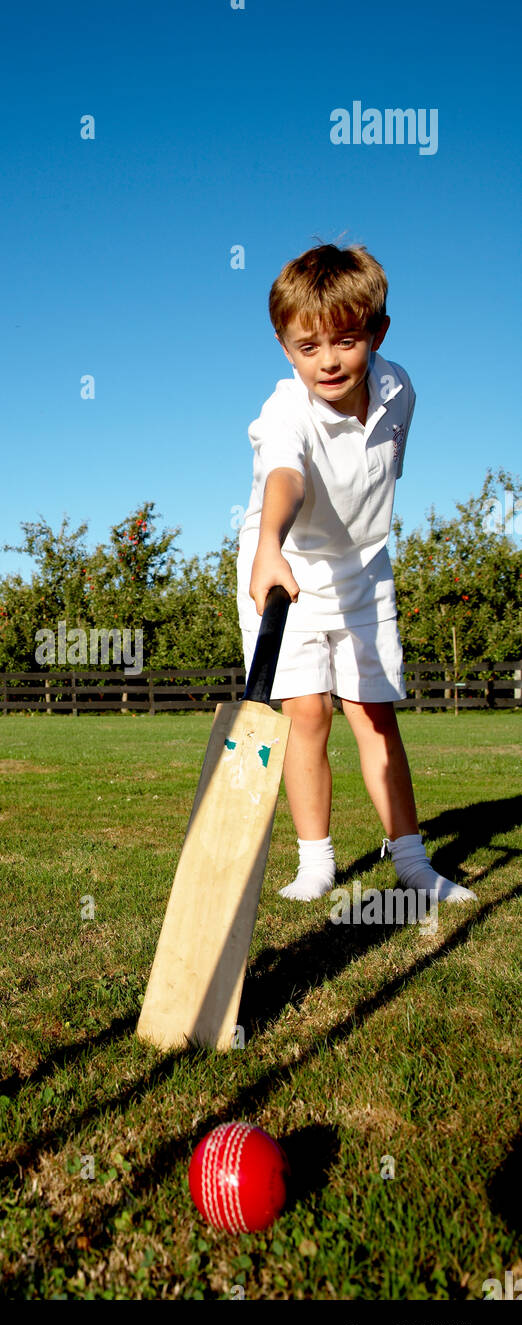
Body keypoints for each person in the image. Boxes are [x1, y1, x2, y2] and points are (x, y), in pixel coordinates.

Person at [236, 242, 476, 904]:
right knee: (307, 715)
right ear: (286, 348)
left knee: (375, 714)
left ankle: (412, 862)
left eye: (345, 340)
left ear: (377, 333)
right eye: (307, 346)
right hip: (283, 568)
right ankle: (316, 863)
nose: (328, 360)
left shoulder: (399, 388)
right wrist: (267, 544)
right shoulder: (284, 410)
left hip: (365, 571)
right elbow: (286, 474)